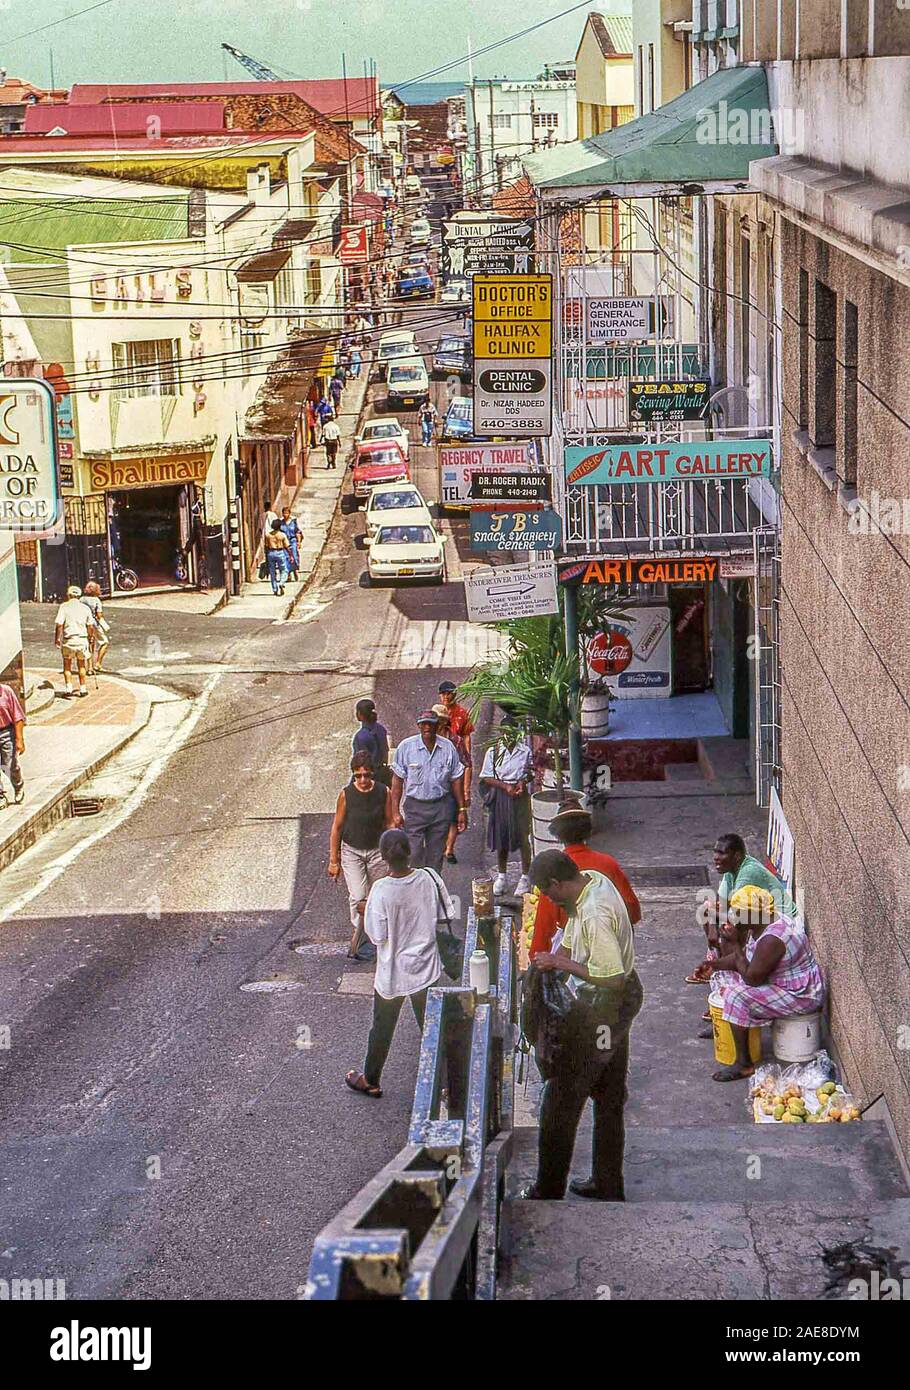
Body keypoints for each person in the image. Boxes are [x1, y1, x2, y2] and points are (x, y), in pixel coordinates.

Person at [522, 850, 644, 1202]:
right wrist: (561, 959)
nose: (549, 901)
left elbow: (613, 978)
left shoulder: (594, 914)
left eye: (548, 894)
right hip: (615, 1009)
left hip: (605, 1008)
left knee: (560, 1097)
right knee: (608, 1096)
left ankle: (549, 1188)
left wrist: (563, 964)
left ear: (558, 884)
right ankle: (608, 1183)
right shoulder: (592, 880)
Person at [344, 828, 451, 1098]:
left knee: (381, 1027)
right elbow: (447, 912)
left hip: (393, 971)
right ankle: (448, 1084)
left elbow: (378, 936)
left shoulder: (380, 890)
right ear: (409, 852)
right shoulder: (430, 877)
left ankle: (371, 1079)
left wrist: (367, 910)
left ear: (383, 857)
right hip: (426, 966)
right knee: (432, 1027)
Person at [710, 886, 825, 1083]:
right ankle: (725, 1022)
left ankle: (743, 1064)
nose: (734, 919)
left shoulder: (772, 939)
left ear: (754, 914)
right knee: (726, 976)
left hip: (802, 995)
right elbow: (746, 960)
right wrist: (713, 965)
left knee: (735, 995)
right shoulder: (765, 922)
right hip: (785, 983)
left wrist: (735, 944)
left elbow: (752, 978)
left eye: (738, 914)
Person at [529, 800, 640, 958]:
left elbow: (543, 929)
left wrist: (536, 961)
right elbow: (633, 912)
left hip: (578, 957)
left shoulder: (554, 871)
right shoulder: (608, 863)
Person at [329, 752, 394, 959]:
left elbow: (390, 822)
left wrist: (394, 853)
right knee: (358, 896)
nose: (363, 780)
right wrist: (334, 860)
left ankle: (375, 938)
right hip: (352, 851)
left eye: (366, 775)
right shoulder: (346, 795)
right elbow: (337, 828)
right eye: (358, 776)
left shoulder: (384, 792)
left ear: (372, 774)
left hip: (377, 851)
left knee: (377, 896)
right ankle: (360, 938)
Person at [391, 709, 467, 874]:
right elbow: (397, 781)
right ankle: (417, 892)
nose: (427, 728)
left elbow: (456, 780)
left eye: (431, 724)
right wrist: (395, 812)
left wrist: (461, 809)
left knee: (435, 856)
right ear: (418, 725)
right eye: (423, 724)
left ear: (438, 725)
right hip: (415, 808)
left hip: (440, 808)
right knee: (414, 854)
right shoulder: (406, 748)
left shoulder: (448, 748)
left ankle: (433, 891)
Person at [479, 718, 534, 897]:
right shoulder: (493, 752)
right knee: (501, 836)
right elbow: (486, 777)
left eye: (511, 731)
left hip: (519, 797)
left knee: (523, 837)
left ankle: (525, 877)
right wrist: (505, 786)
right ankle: (502, 877)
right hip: (502, 797)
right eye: (505, 731)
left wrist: (522, 782)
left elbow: (530, 772)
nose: (508, 735)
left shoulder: (524, 751)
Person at [431, 704, 470, 865]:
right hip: (434, 786)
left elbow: (466, 763)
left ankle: (449, 849)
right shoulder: (427, 740)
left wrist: (466, 789)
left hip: (453, 785)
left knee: (453, 819)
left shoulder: (456, 740)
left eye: (440, 720)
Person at [55, 585, 96, 698]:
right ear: (79, 596)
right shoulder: (85, 608)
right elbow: (90, 626)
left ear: (68, 595)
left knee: (67, 665)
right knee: (81, 665)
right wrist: (90, 636)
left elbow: (59, 624)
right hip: (82, 640)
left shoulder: (64, 607)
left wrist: (57, 639)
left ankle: (68, 688)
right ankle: (83, 689)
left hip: (69, 640)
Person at [352, 698, 391, 786]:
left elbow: (360, 762)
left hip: (369, 777)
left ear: (360, 714)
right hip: (383, 774)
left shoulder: (360, 736)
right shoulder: (381, 729)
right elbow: (385, 751)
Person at [437, 680, 474, 769]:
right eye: (443, 694)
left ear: (454, 694)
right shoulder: (436, 712)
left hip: (457, 753)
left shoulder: (462, 713)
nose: (446, 697)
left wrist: (467, 755)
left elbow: (466, 736)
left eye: (449, 693)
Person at [0, 681, 26, 807]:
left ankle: (18, 785)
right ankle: (0, 794)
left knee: (9, 765)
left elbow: (18, 717)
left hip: (6, 731)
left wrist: (19, 739)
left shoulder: (6, 691)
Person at [81, 581, 110, 674]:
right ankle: (98, 664)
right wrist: (104, 625)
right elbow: (99, 615)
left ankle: (89, 667)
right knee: (104, 642)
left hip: (83, 623)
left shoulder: (81, 599)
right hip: (94, 624)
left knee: (90, 644)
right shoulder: (97, 600)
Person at [263, 518, 290, 596]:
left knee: (272, 572)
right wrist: (290, 555)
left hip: (271, 553)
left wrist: (266, 557)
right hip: (280, 552)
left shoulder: (268, 535)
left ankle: (275, 589)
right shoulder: (282, 535)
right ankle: (281, 583)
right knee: (284, 570)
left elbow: (266, 547)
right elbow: (287, 546)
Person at [280, 508, 302, 582]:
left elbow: (297, 532)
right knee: (286, 558)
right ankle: (288, 574)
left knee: (295, 557)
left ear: (289, 514)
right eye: (284, 513)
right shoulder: (280, 523)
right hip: (284, 543)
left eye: (286, 513)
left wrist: (298, 542)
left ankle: (295, 571)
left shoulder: (293, 522)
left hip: (293, 541)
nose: (285, 514)